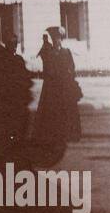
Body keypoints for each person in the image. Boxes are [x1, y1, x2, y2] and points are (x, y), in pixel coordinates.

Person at [32, 26, 82, 163]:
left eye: (58, 39)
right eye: (54, 39)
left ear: (61, 40)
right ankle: (54, 133)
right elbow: (46, 68)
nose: (56, 41)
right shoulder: (48, 52)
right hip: (53, 87)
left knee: (66, 110)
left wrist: (68, 76)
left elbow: (72, 67)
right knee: (53, 111)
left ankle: (69, 133)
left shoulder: (66, 52)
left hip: (64, 86)